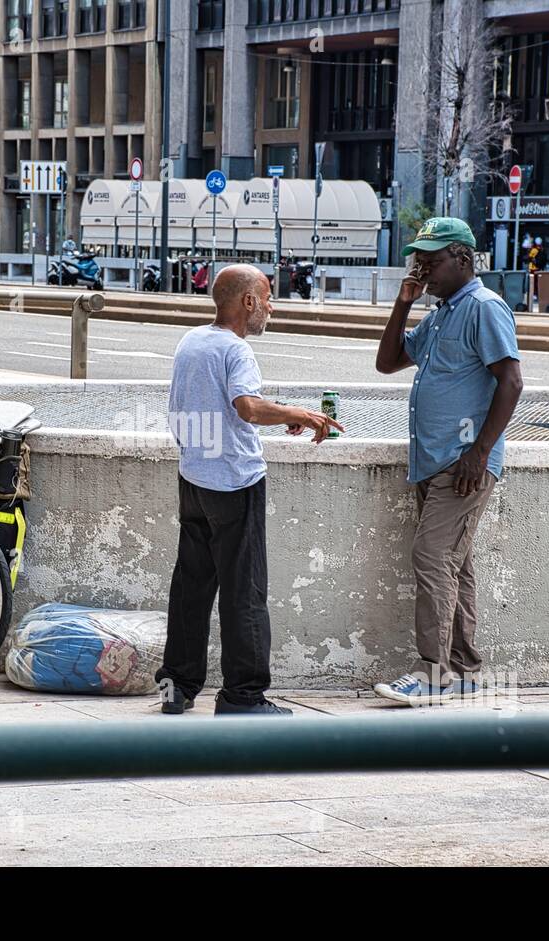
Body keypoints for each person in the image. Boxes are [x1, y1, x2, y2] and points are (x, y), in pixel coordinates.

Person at [157, 263, 342, 717]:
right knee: (245, 591)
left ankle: (176, 686)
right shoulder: (237, 351)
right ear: (247, 302)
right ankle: (243, 697)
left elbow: (195, 406)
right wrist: (302, 413)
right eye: (268, 297)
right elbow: (248, 408)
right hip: (234, 482)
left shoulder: (192, 341)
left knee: (192, 587)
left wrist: (285, 417)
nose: (271, 307)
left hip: (194, 478)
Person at [371, 217, 524, 706]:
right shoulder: (438, 315)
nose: (424, 269)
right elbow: (388, 361)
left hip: (461, 463)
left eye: (432, 261)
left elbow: (512, 382)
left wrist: (479, 454)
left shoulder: (484, 308)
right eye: (419, 260)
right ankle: (464, 670)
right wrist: (403, 303)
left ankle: (432, 674)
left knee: (432, 557)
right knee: (454, 565)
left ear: (463, 258)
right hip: (433, 460)